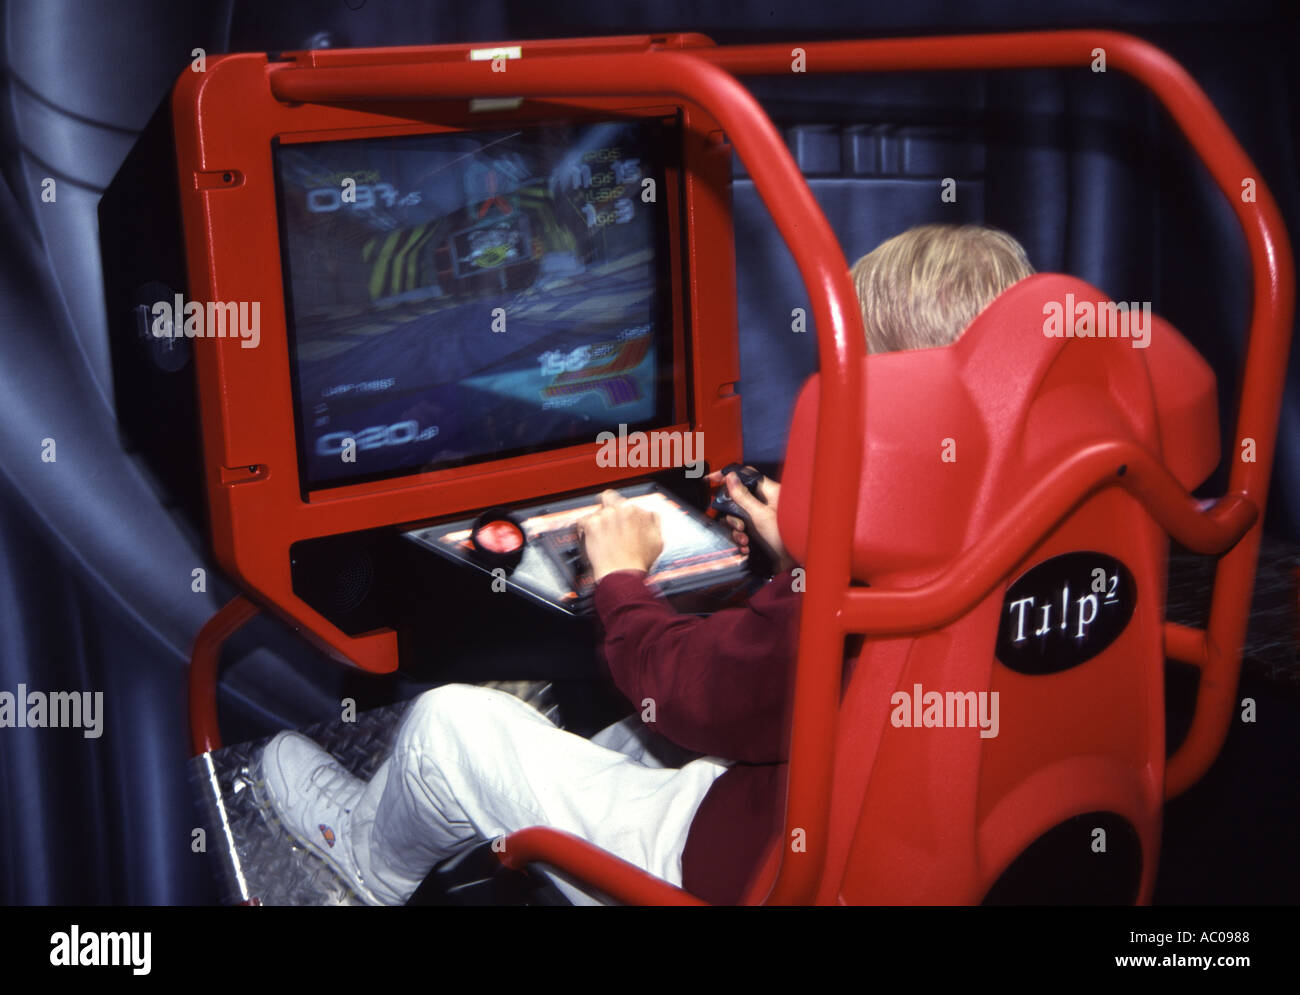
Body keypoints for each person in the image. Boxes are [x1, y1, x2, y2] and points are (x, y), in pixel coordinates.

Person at [257, 223, 1036, 905]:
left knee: (448, 725)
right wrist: (795, 563)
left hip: (752, 863)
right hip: (890, 833)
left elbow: (696, 692)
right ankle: (472, 812)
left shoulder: (857, 590)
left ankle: (368, 857)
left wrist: (622, 578)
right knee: (629, 736)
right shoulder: (1036, 526)